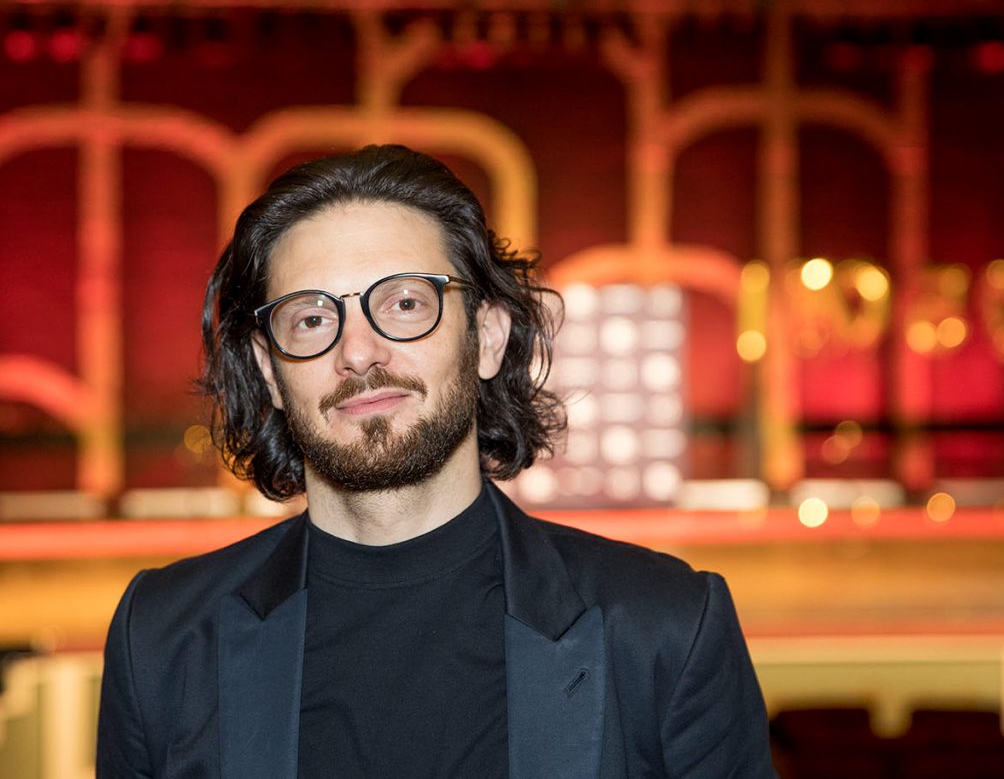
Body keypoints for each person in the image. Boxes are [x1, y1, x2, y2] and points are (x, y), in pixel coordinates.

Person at [97, 145, 775, 778]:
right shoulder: (160, 637)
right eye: (310, 318)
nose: (358, 352)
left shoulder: (667, 628)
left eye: (405, 303)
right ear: (268, 372)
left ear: (485, 338)